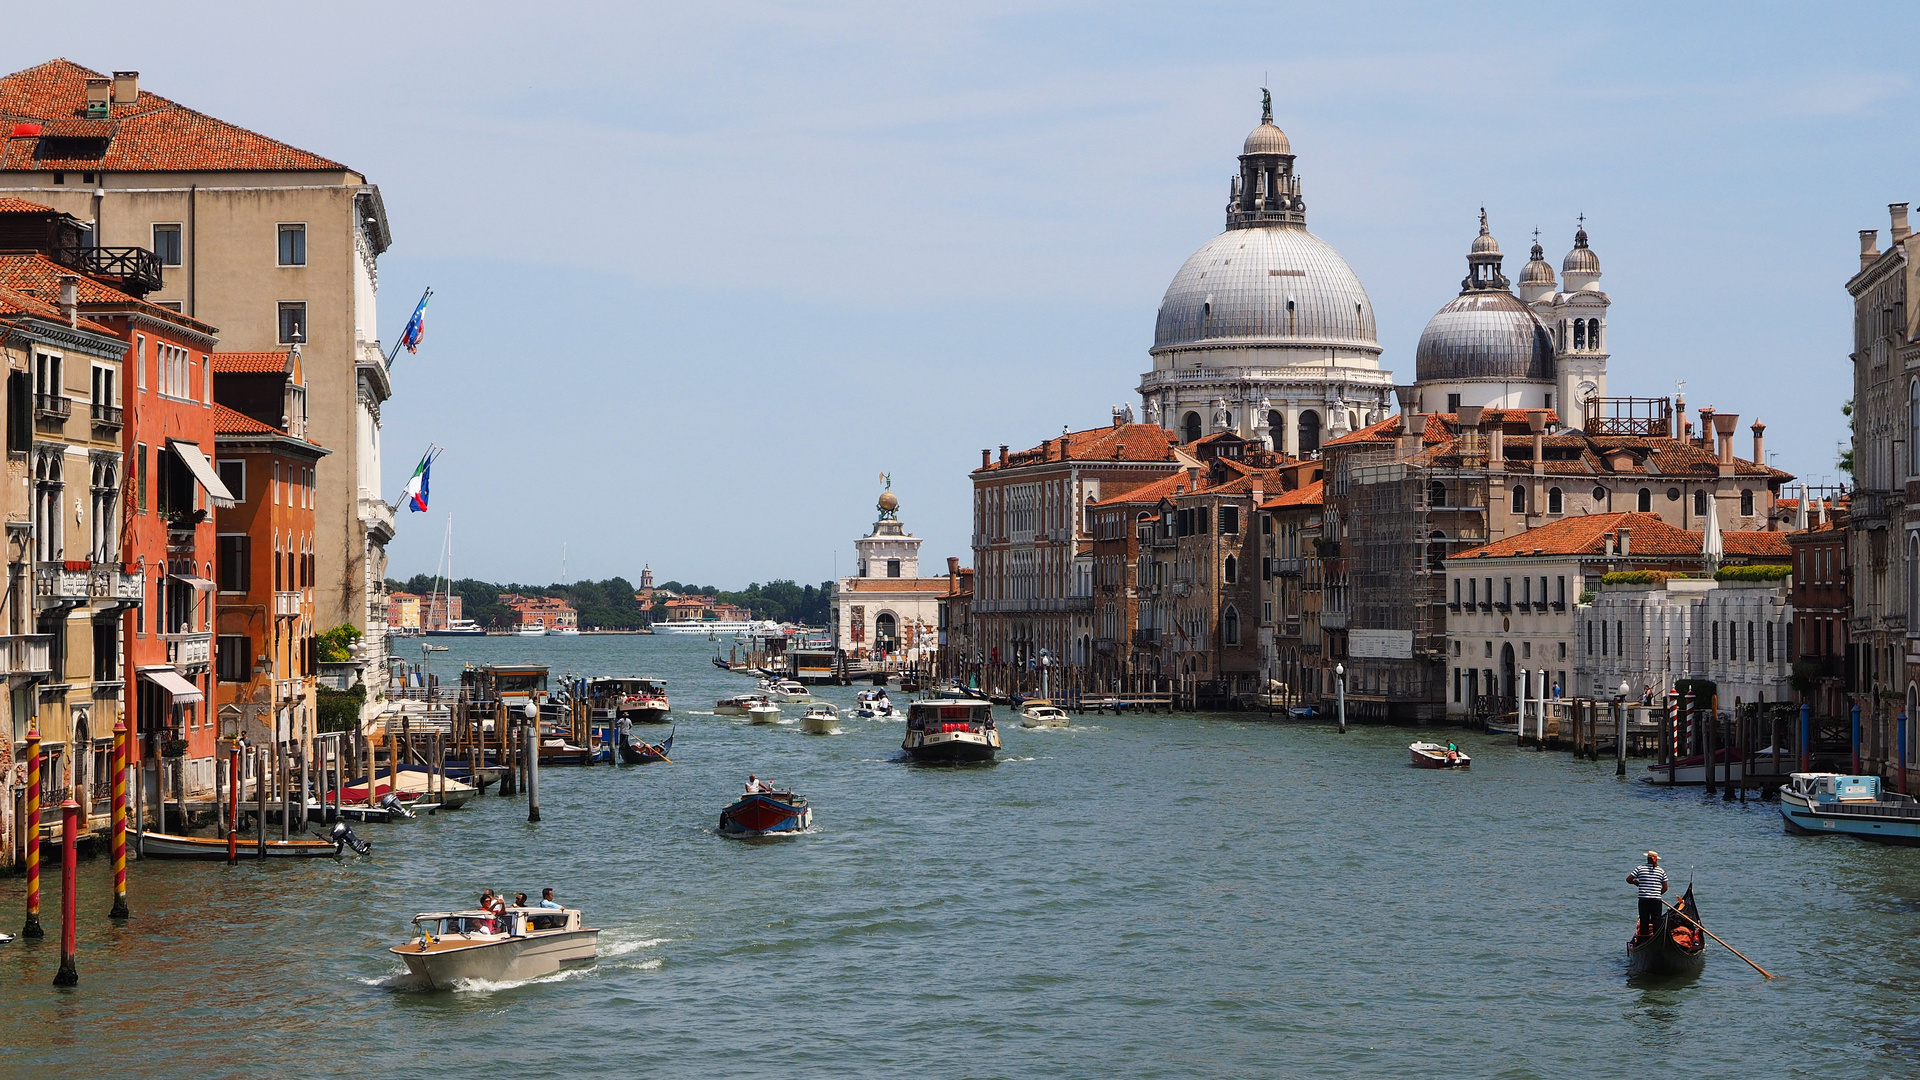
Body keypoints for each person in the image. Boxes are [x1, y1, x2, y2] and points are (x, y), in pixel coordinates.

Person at [1628, 851, 1669, 939]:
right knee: (1656, 920)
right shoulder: (1661, 871)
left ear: (1647, 858)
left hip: (1644, 900)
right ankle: (1657, 938)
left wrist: (1638, 884)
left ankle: (1644, 939)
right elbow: (1665, 887)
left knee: (1644, 920)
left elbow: (1629, 879)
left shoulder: (1640, 868)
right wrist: (1658, 894)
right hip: (1656, 900)